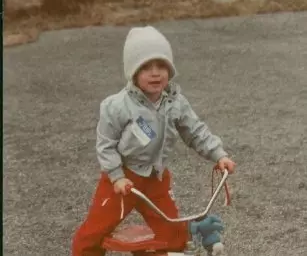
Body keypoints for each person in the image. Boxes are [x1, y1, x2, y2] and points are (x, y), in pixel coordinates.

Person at [72, 26, 236, 256]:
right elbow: (106, 144)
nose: (155, 73)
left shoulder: (175, 102)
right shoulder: (117, 106)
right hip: (123, 180)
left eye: (162, 66)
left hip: (155, 179)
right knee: (93, 234)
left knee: (172, 233)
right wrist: (116, 177)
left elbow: (195, 131)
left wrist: (219, 154)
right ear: (133, 72)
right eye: (146, 67)